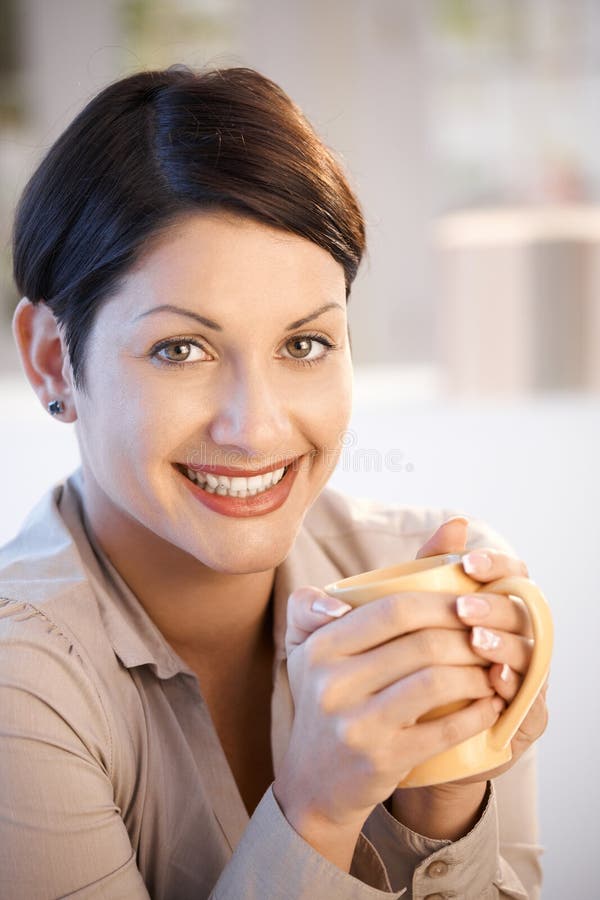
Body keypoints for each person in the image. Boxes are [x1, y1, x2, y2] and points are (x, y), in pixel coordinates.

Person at [0, 64, 547, 899]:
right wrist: (316, 815)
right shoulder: (21, 682)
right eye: (180, 349)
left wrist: (444, 799)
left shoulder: (439, 579)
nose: (256, 428)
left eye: (305, 344)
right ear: (52, 360)